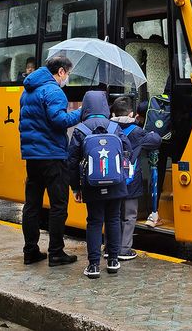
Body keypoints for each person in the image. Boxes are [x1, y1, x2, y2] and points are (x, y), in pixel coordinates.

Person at [18, 55, 81, 266]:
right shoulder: (54, 91)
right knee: (58, 205)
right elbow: (59, 121)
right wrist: (81, 113)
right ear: (61, 72)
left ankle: (30, 251)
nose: (67, 78)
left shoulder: (28, 91)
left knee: (32, 205)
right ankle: (56, 252)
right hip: (53, 156)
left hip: (33, 156)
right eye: (68, 74)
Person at [68, 91, 131, 279]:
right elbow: (127, 152)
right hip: (116, 185)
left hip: (91, 184)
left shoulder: (81, 130)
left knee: (94, 222)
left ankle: (94, 265)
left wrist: (76, 187)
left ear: (86, 107)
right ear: (105, 106)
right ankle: (113, 261)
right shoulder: (114, 127)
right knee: (113, 219)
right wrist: (124, 176)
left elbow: (71, 162)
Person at [110, 97, 161, 261]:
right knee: (129, 215)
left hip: (112, 180)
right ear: (132, 114)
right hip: (130, 181)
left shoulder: (108, 128)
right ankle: (124, 250)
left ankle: (111, 248)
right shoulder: (137, 131)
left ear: (113, 113)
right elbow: (156, 141)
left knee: (113, 215)